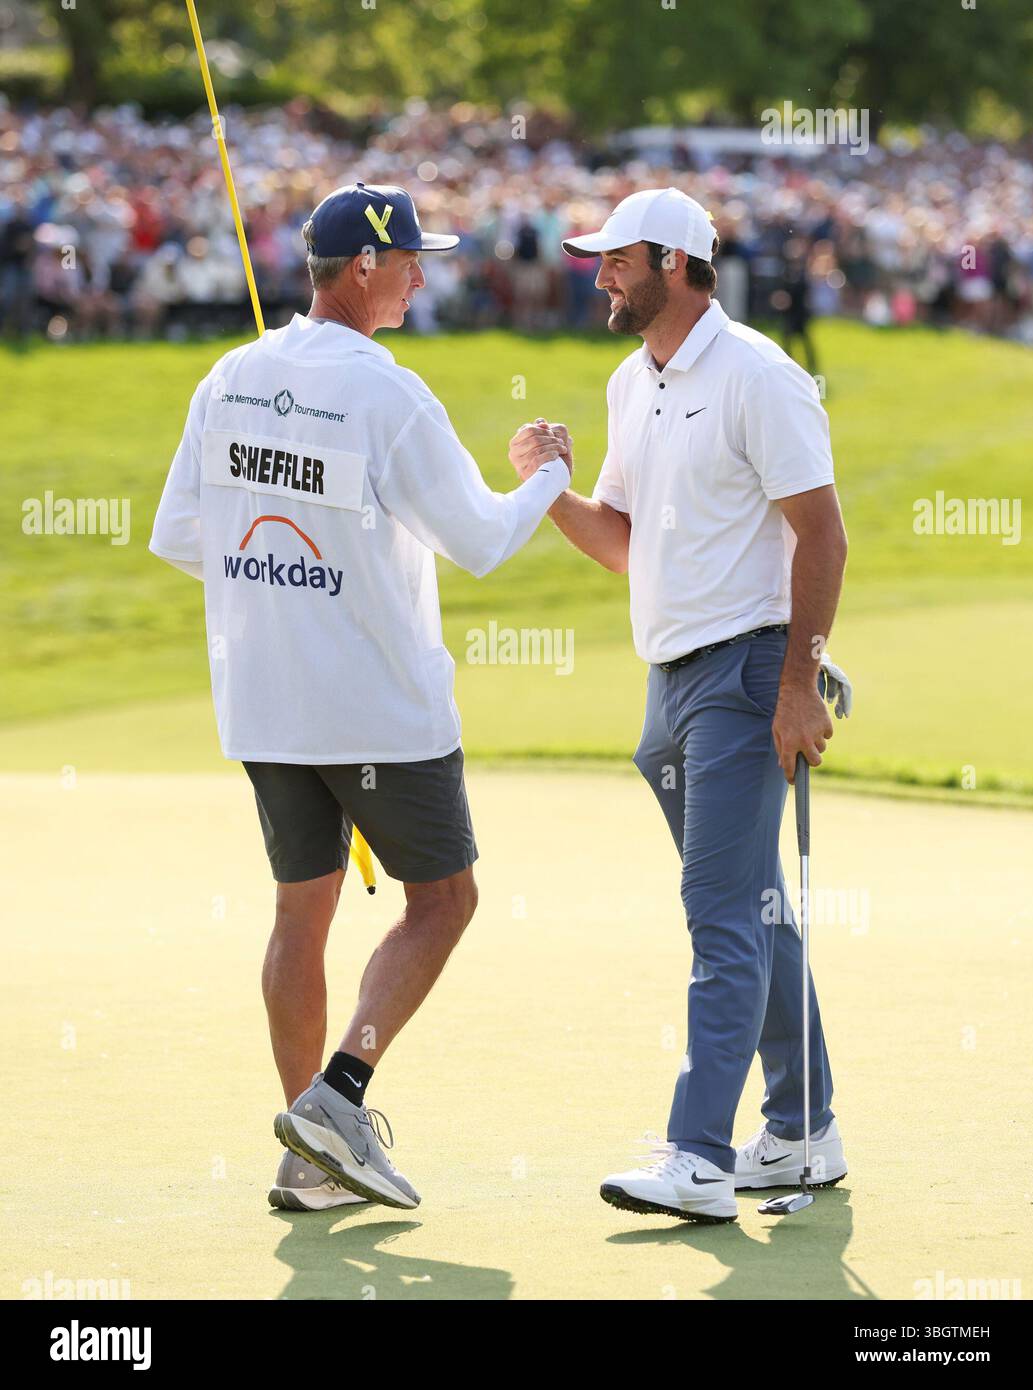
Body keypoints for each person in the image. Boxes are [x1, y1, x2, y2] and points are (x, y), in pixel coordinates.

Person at [149, 182, 570, 1212]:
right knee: (447, 899)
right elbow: (479, 539)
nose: (423, 275)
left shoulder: (228, 377)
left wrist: (284, 584)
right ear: (366, 268)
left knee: (302, 909)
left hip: (266, 702)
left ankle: (308, 1156)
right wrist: (546, 475)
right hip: (379, 707)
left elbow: (182, 537)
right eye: (412, 259)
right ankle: (338, 1099)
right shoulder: (388, 392)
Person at [510, 187, 851, 1224]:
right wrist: (545, 486)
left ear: (668, 259)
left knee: (719, 918)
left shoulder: (756, 373)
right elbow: (623, 540)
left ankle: (699, 1155)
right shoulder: (630, 381)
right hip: (667, 680)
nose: (598, 276)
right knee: (754, 909)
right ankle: (802, 1130)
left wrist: (798, 681)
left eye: (613, 260)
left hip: (746, 673)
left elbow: (823, 534)